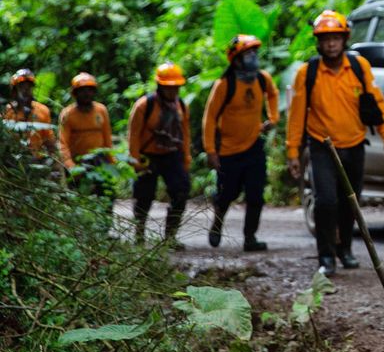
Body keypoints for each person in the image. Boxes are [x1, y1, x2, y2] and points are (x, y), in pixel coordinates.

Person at [287, 11, 384, 276]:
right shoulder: (308, 72)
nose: (331, 44)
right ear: (319, 42)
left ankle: (345, 249)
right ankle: (326, 256)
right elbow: (297, 114)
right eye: (326, 39)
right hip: (321, 147)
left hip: (354, 144)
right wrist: (292, 151)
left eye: (336, 38)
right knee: (325, 201)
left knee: (351, 201)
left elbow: (377, 102)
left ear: (344, 39)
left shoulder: (359, 67)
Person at [203, 34, 279, 252]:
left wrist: (272, 119)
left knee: (255, 195)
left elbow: (273, 94)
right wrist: (211, 151)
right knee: (227, 194)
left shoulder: (262, 79)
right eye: (248, 54)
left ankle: (250, 237)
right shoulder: (224, 85)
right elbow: (209, 119)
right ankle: (217, 223)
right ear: (236, 59)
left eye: (255, 53)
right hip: (228, 151)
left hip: (254, 147)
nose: (253, 57)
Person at [128, 62, 192, 248]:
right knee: (143, 196)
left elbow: (185, 134)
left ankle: (170, 237)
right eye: (169, 87)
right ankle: (139, 233)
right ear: (160, 86)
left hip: (172, 155)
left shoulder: (181, 106)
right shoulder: (144, 105)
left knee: (181, 192)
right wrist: (135, 159)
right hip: (148, 156)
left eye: (176, 87)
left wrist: (186, 158)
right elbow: (133, 134)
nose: (173, 91)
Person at [58, 72, 115, 204]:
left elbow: (107, 139)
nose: (86, 93)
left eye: (90, 90)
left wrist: (112, 163)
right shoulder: (67, 114)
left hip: (100, 161)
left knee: (107, 196)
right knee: (76, 199)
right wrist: (70, 166)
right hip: (77, 161)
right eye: (82, 90)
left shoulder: (101, 110)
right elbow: (62, 143)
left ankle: (105, 224)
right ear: (75, 93)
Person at [4, 68, 55, 156]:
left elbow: (49, 140)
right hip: (15, 160)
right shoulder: (8, 111)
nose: (25, 90)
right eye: (22, 87)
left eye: (28, 86)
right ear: (15, 90)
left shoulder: (43, 110)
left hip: (38, 160)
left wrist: (54, 160)